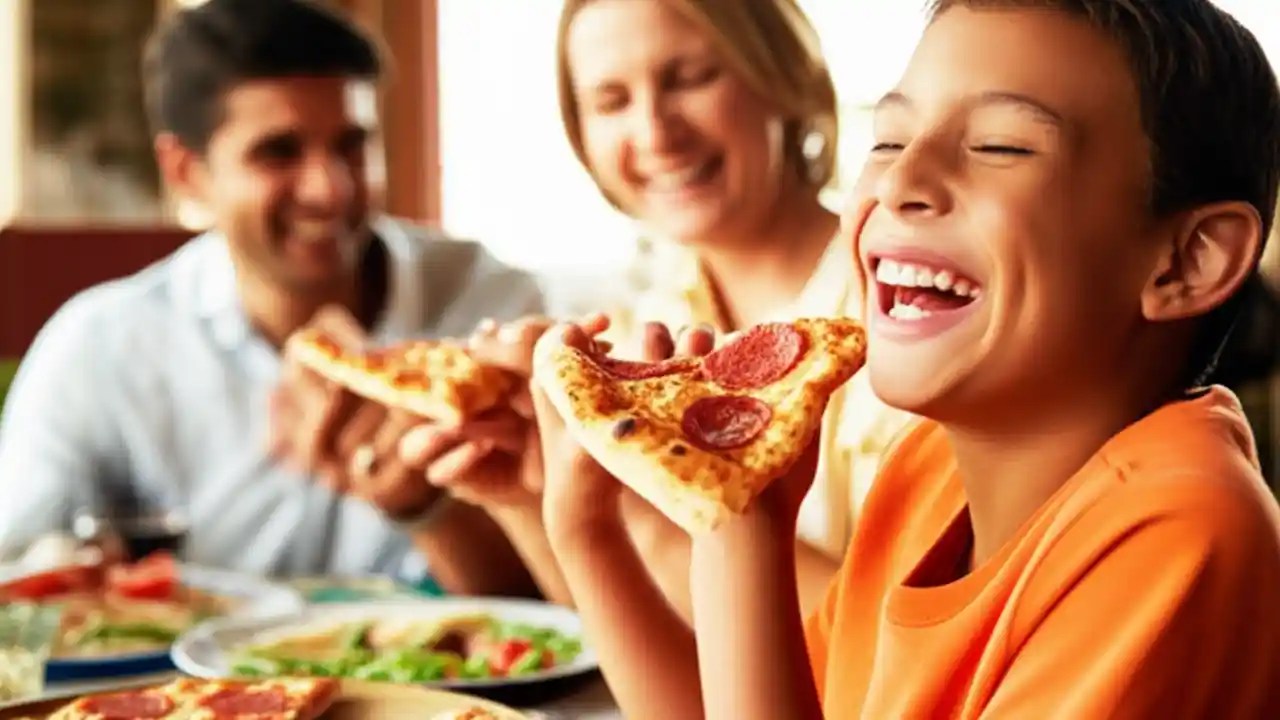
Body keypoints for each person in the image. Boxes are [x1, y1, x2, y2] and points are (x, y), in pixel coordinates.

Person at [529, 0, 1280, 717]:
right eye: (887, 141)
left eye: (1000, 147)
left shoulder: (1178, 534)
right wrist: (585, 530)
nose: (898, 182)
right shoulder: (927, 475)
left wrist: (737, 529)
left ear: (1187, 261)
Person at [0, 0, 540, 595]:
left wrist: (425, 506)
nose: (329, 189)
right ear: (185, 171)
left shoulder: (492, 309)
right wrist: (84, 565)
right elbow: (19, 567)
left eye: (352, 145)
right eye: (278, 152)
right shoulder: (100, 347)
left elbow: (557, 610)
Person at [401, 0, 914, 618]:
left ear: (786, 77)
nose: (655, 134)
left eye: (691, 78)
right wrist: (527, 493)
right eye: (612, 101)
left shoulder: (905, 312)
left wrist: (641, 515)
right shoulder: (636, 325)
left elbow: (894, 656)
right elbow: (636, 632)